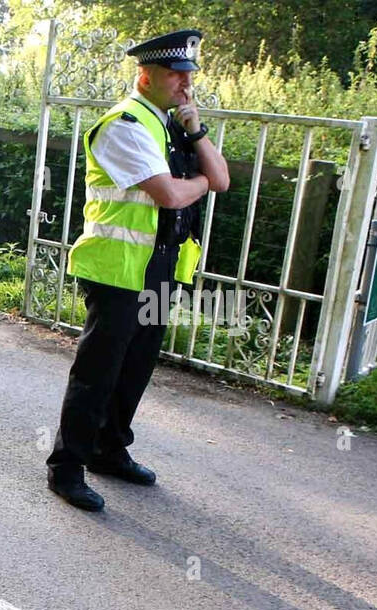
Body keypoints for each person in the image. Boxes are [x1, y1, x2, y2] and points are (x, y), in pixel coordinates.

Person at [46, 28, 230, 511]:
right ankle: (67, 467)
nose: (184, 84)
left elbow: (223, 179)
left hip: (158, 266)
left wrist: (196, 132)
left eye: (188, 75)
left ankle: (110, 450)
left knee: (136, 365)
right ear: (145, 75)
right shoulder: (125, 124)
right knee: (98, 371)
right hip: (117, 267)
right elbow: (170, 194)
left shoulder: (170, 124)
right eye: (175, 74)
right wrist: (199, 182)